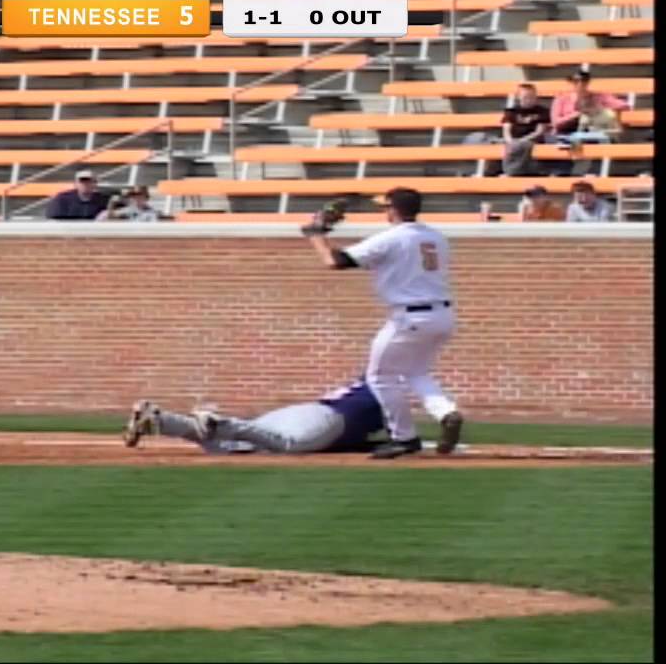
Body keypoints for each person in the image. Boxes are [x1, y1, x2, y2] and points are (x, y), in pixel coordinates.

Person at [300, 188, 463, 459]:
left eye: (386, 207)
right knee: (416, 372)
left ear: (394, 209)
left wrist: (316, 233)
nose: (384, 211)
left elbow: (334, 262)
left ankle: (404, 437)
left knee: (379, 376)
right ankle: (446, 412)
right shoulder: (436, 236)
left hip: (410, 316)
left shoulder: (392, 237)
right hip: (442, 315)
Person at [122, 377, 389, 455]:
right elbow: (400, 434)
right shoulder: (389, 387)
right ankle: (217, 422)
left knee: (228, 447)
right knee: (288, 444)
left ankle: (161, 420)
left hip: (306, 412)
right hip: (329, 420)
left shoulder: (374, 378)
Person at [500, 83, 549, 176]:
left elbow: (539, 131)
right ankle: (506, 170)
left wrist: (521, 141)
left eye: (532, 97)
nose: (529, 100)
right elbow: (506, 130)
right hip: (513, 140)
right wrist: (510, 141)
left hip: (531, 140)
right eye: (525, 97)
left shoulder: (542, 111)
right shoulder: (511, 112)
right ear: (519, 97)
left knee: (524, 146)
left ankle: (513, 172)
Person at [45, 170, 111, 220]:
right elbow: (53, 219)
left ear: (95, 184)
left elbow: (116, 211)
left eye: (89, 182)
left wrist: (109, 214)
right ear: (75, 184)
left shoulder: (103, 200)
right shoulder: (62, 199)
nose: (86, 184)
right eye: (82, 181)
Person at [96, 184, 162, 221]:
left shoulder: (152, 213)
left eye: (139, 195)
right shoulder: (127, 210)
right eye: (133, 195)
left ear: (146, 197)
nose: (136, 198)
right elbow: (108, 217)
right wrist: (111, 204)